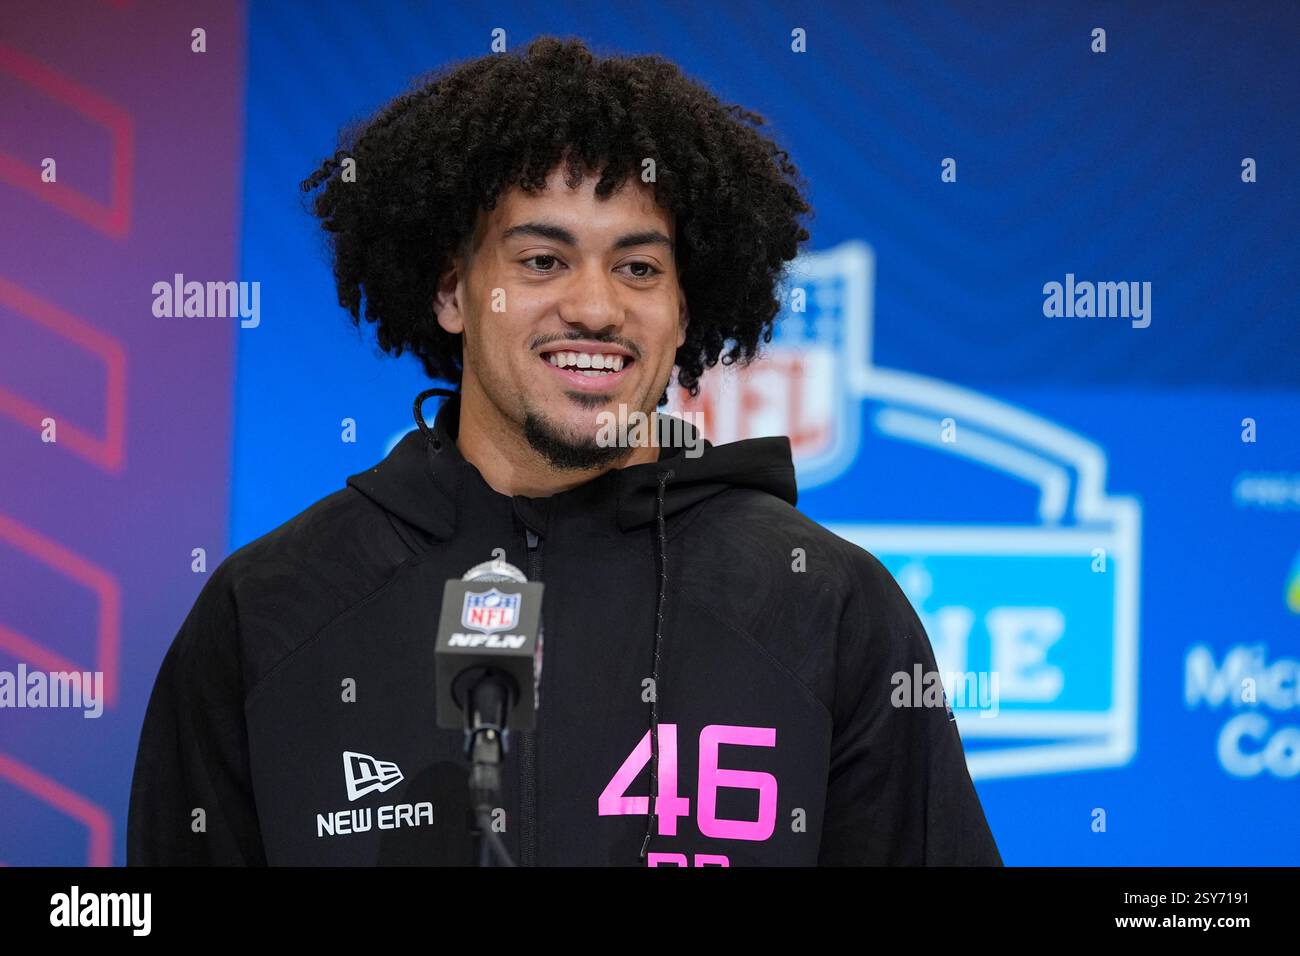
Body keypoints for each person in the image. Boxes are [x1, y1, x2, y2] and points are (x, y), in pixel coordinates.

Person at [127, 35, 1001, 866]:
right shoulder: (272, 607)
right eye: (542, 260)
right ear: (451, 293)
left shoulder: (825, 603)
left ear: (686, 311)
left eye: (639, 268)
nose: (594, 308)